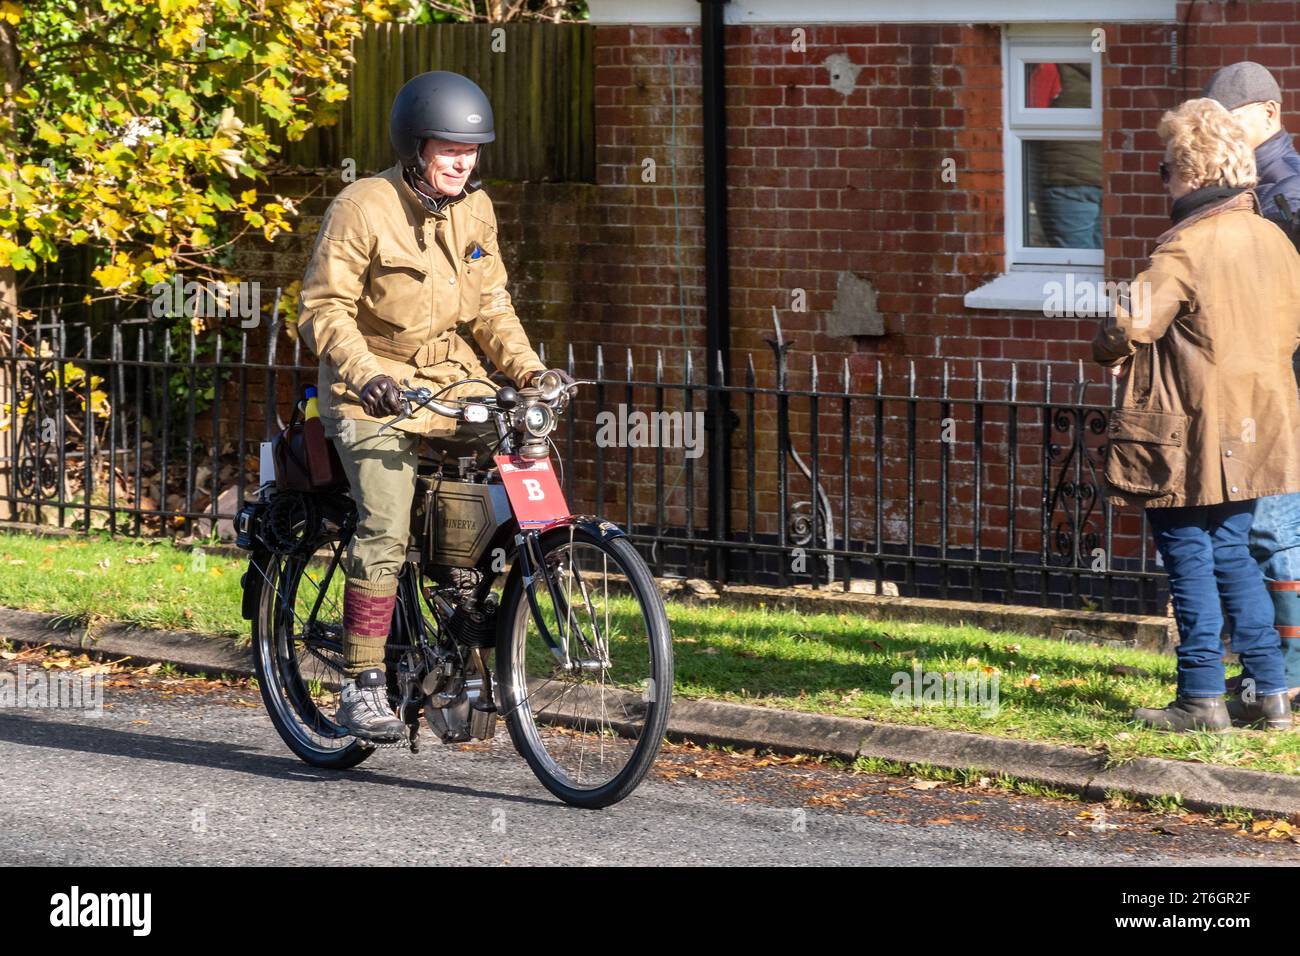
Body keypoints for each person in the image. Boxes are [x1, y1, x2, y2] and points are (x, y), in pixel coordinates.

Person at [297, 71, 552, 741]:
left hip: (447, 378)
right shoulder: (364, 205)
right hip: (370, 387)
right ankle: (362, 683)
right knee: (385, 526)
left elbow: (492, 306)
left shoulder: (476, 210)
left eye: (472, 150)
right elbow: (323, 308)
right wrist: (365, 374)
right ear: (415, 148)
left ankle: (462, 612)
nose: (463, 161)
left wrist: (528, 371)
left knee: (511, 460)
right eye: (448, 148)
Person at [1092, 97, 1300, 732]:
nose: (1165, 182)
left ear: (1194, 174)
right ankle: (1269, 693)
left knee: (1186, 552)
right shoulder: (1275, 239)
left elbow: (1129, 325)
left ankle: (1201, 696)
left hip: (1194, 428)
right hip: (1262, 423)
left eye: (1166, 170)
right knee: (1233, 551)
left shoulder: (1184, 248)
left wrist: (1111, 343)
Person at [1203, 61, 1300, 718]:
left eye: (1229, 118)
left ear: (1268, 113)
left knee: (1273, 526)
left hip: (1281, 386)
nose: (1221, 132)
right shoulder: (1246, 186)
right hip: (1264, 384)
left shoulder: (1283, 193)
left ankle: (1286, 677)